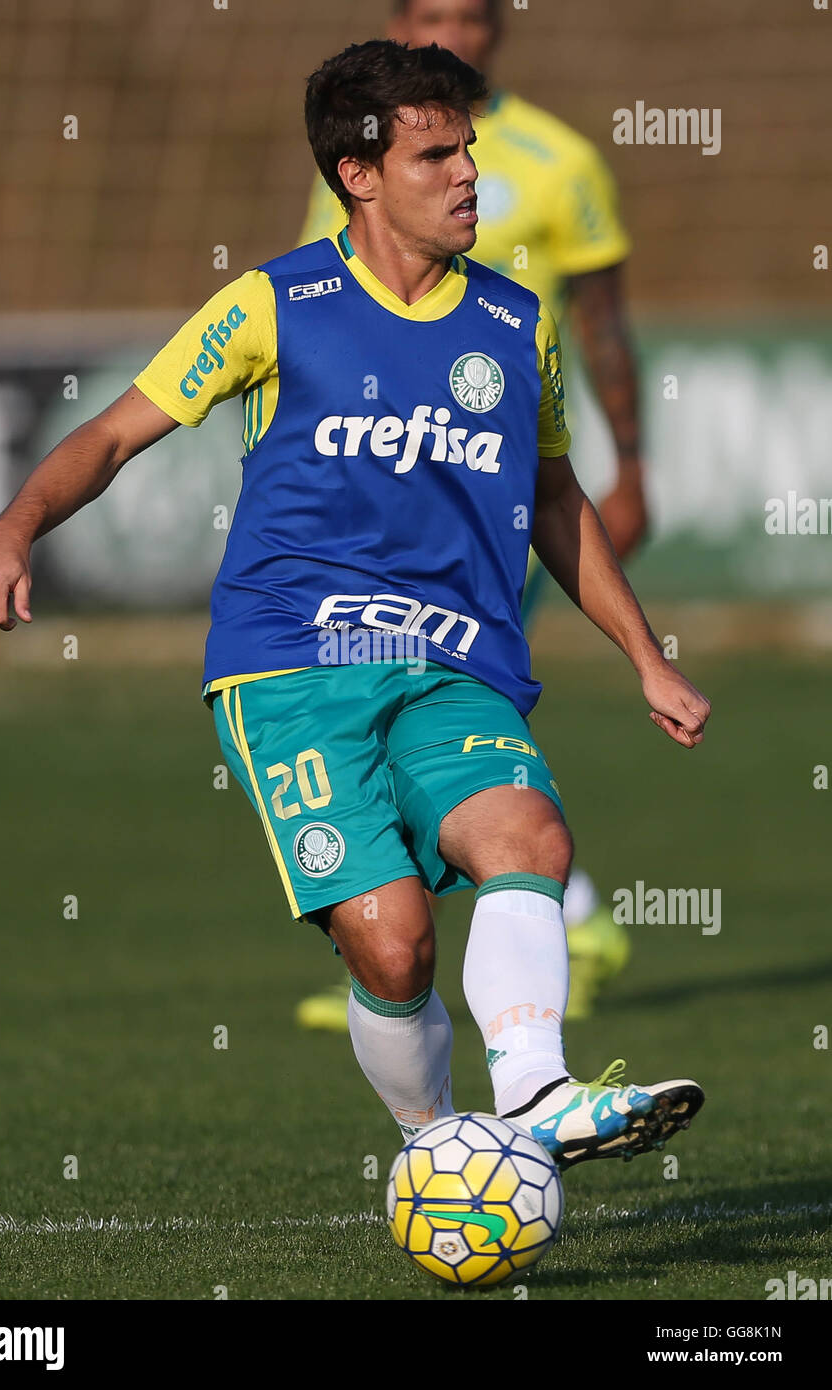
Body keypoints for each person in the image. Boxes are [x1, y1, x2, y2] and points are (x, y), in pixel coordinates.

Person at [0, 38, 709, 1169]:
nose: (469, 176)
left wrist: (645, 657)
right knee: (393, 949)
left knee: (530, 837)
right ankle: (435, 1143)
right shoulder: (274, 303)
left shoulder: (513, 326)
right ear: (358, 174)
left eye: (470, 149)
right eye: (436, 155)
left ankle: (540, 1091)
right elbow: (114, 433)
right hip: (291, 667)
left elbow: (554, 498)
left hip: (458, 662)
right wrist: (11, 531)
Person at [296, 0, 645, 1031]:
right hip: (381, 505)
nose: (450, 30)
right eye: (428, 11)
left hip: (497, 487)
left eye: (470, 14)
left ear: (501, 29)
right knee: (418, 704)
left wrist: (630, 466)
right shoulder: (368, 156)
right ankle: (412, 937)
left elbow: (604, 322)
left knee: (466, 695)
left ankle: (542, 918)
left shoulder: (556, 161)